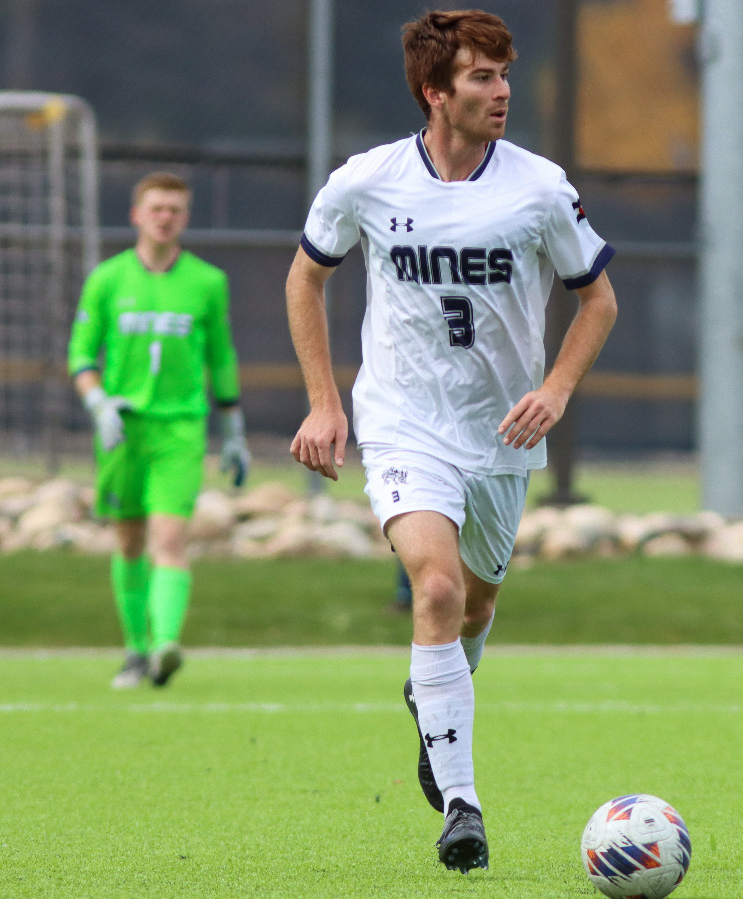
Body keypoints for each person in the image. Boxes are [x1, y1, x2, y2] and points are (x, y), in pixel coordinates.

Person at [285, 9, 617, 874]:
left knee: (474, 607)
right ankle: (463, 803)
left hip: (501, 433)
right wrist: (326, 404)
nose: (501, 90)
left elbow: (598, 300)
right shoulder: (367, 181)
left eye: (503, 74)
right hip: (404, 422)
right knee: (432, 587)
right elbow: (306, 277)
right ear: (435, 92)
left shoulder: (541, 188)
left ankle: (434, 696)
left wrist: (555, 389)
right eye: (480, 77)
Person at [68, 171, 250, 690]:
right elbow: (80, 354)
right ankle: (134, 650)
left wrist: (233, 429)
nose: (165, 217)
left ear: (185, 218)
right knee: (128, 541)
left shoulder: (207, 282)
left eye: (175, 209)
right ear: (136, 215)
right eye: (156, 208)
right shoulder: (107, 279)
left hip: (180, 429)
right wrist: (99, 403)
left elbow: (222, 357)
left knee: (169, 538)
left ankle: (166, 644)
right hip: (123, 431)